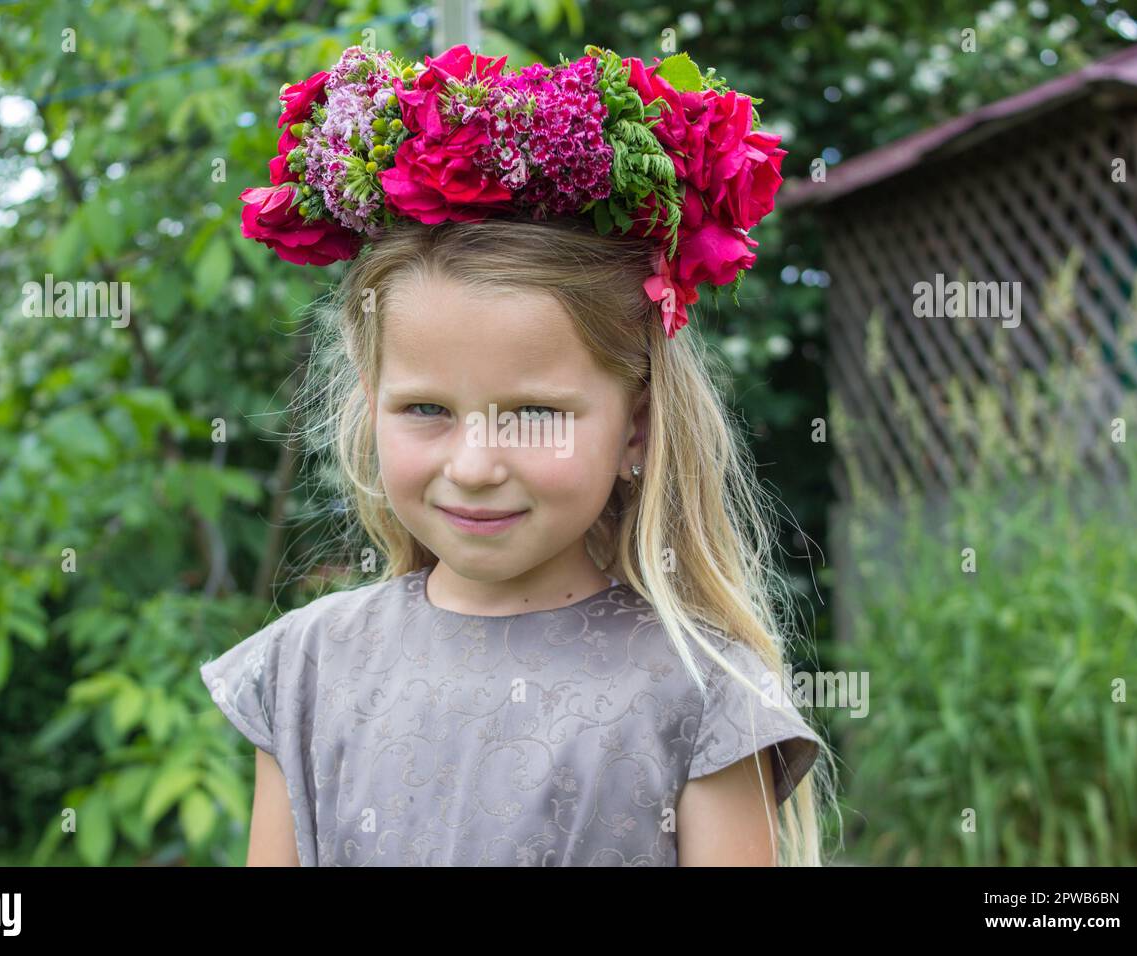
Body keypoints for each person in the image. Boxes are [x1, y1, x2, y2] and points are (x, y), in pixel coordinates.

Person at [200, 43, 836, 866]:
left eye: (534, 414)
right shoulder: (300, 672)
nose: (473, 465)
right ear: (369, 399)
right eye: (426, 409)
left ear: (636, 426)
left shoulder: (704, 695)